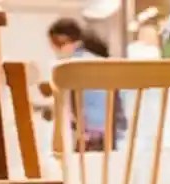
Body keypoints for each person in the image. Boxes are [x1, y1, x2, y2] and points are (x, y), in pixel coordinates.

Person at [48, 18, 121, 150]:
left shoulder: (70, 66)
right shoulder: (99, 61)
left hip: (86, 136)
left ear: (62, 40)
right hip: (110, 134)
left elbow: (67, 105)